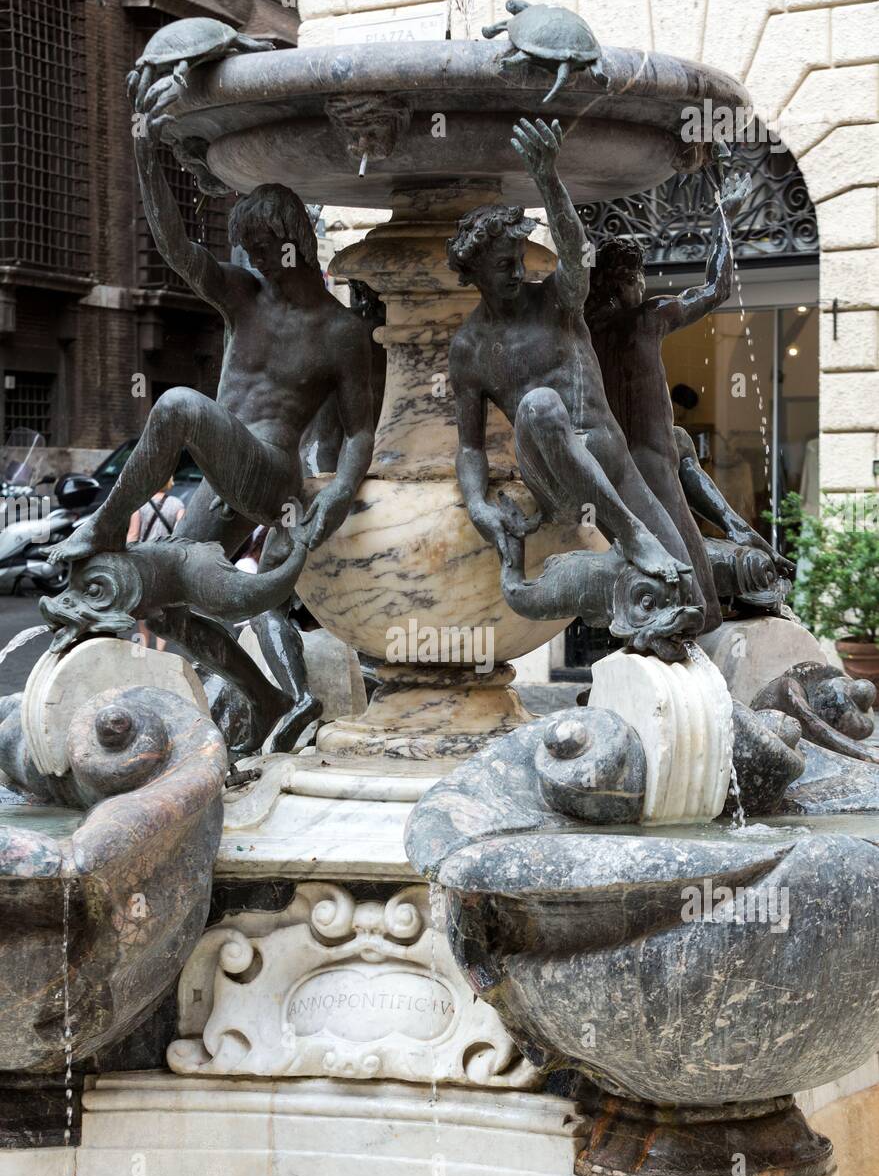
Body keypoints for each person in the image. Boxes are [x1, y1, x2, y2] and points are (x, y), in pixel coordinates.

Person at [51, 65, 376, 753]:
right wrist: (144, 146)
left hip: (271, 475)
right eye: (250, 250)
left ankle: (101, 529)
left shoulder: (340, 331)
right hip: (226, 478)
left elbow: (359, 431)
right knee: (161, 598)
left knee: (176, 404)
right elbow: (175, 249)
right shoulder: (243, 297)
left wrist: (341, 491)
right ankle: (275, 703)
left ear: (299, 243)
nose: (257, 261)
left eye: (266, 249)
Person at [447, 117, 694, 631]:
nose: (518, 273)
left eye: (519, 259)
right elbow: (470, 446)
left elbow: (579, 255)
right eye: (502, 266)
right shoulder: (469, 348)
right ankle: (630, 537)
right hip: (556, 481)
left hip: (612, 459)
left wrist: (547, 177)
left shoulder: (557, 302)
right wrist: (475, 502)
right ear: (472, 274)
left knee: (693, 599)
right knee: (539, 405)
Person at [584, 174, 792, 625]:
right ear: (625, 284)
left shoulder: (585, 334)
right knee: (693, 583)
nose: (643, 286)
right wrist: (724, 219)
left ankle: (736, 527)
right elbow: (717, 288)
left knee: (680, 442)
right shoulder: (647, 318)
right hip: (649, 466)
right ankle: (693, 654)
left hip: (617, 464)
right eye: (638, 278)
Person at [126, 477, 185, 651]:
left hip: (143, 562)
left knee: (144, 607)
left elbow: (133, 535)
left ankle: (144, 646)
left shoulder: (140, 504)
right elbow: (180, 535)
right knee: (163, 608)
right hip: (166, 563)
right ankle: (160, 651)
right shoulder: (177, 504)